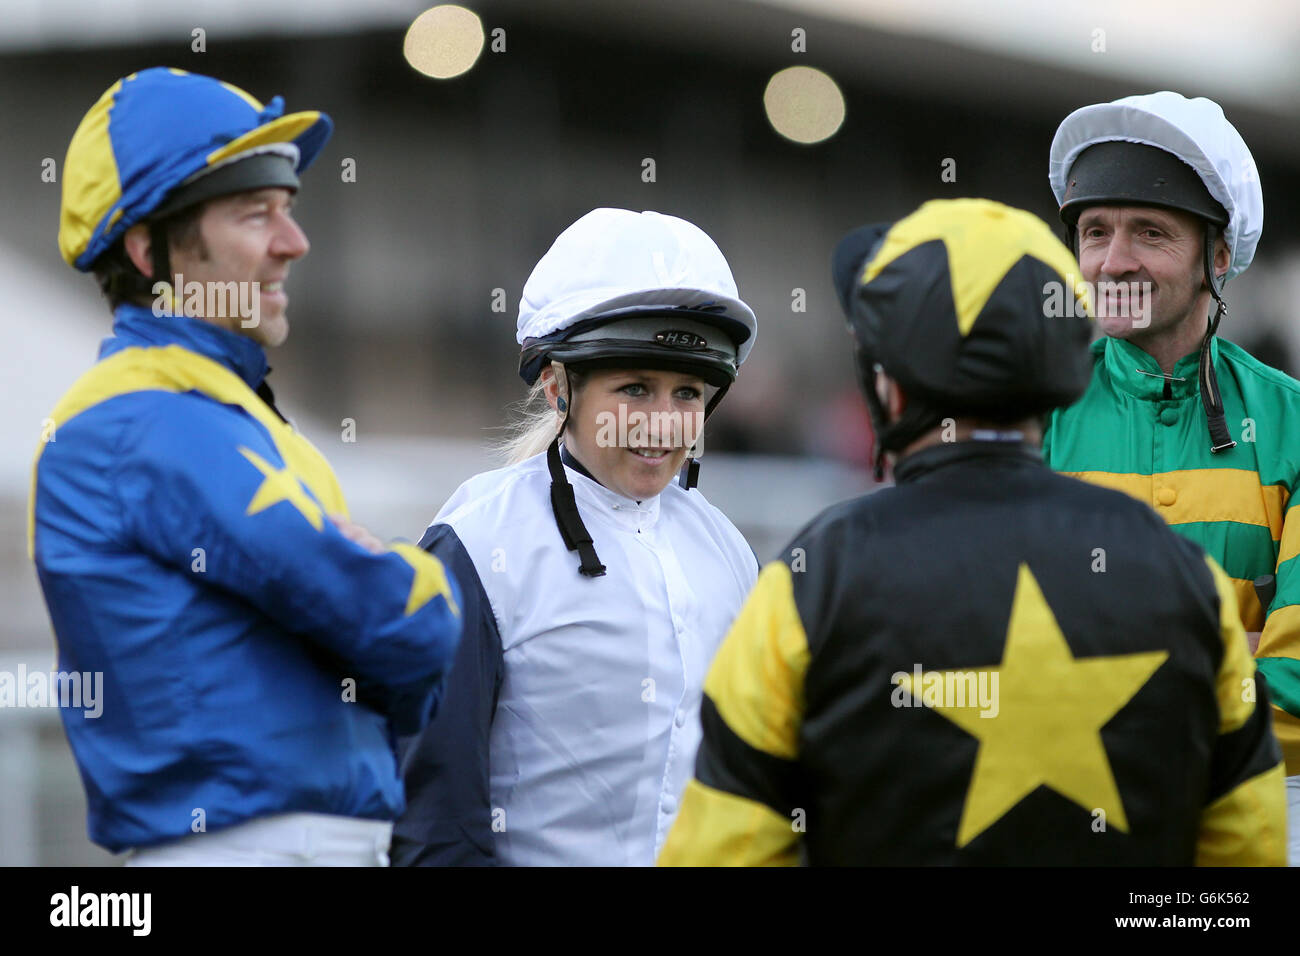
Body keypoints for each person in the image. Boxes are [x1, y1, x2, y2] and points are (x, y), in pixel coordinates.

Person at [658, 198, 1286, 865]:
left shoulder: (814, 577)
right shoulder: (1189, 579)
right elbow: (1244, 865)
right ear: (1066, 374)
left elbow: (724, 852)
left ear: (887, 389)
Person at [30, 68, 462, 865]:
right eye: (254, 213)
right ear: (147, 247)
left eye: (289, 212)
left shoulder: (226, 414)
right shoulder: (146, 417)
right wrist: (426, 590)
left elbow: (394, 665)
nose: (293, 242)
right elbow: (400, 625)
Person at [391, 207, 760, 865]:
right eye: (636, 388)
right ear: (559, 388)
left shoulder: (728, 551)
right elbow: (437, 821)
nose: (665, 423)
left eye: (687, 394)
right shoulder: (475, 544)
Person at [1040, 91, 1300, 862]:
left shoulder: (1291, 426)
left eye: (1149, 232)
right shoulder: (1026, 416)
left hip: (1259, 807)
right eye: (1095, 233)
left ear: (1218, 257)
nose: (1114, 260)